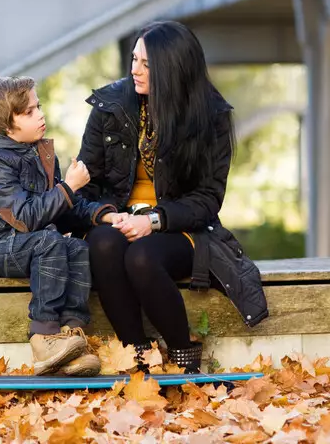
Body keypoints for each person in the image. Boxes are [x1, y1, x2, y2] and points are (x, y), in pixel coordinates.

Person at [77, 20, 268, 372]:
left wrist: (153, 220)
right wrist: (108, 214)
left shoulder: (210, 117)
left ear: (173, 68)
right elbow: (86, 184)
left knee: (142, 257)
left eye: (147, 64)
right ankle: (137, 354)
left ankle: (184, 357)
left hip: (180, 226)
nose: (135, 69)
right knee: (104, 244)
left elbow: (208, 199)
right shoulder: (109, 106)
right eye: (134, 59)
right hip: (116, 220)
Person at [0, 76, 122, 376]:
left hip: (17, 242)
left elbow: (57, 210)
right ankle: (43, 340)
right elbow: (27, 218)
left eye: (38, 106)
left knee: (76, 246)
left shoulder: (39, 153)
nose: (40, 114)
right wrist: (68, 188)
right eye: (29, 112)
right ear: (7, 126)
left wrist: (102, 215)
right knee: (49, 241)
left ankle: (71, 340)